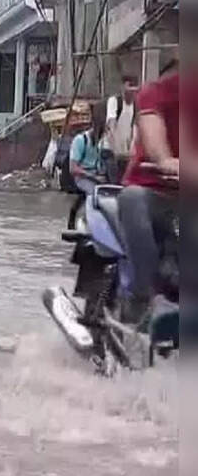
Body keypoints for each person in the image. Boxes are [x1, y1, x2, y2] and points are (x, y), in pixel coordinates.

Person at [117, 61, 183, 324]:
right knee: (133, 199)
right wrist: (166, 160)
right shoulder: (155, 92)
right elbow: (154, 137)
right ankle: (143, 296)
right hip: (153, 193)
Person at [103, 75, 140, 183]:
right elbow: (111, 125)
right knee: (114, 183)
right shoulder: (114, 101)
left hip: (125, 154)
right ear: (122, 87)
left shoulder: (135, 105)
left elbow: (135, 129)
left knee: (126, 182)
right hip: (111, 150)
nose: (132, 91)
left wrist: (131, 150)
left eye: (134, 87)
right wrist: (116, 150)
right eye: (129, 86)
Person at [68, 101, 107, 197]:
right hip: (83, 177)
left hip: (99, 175)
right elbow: (73, 168)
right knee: (94, 193)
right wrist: (92, 176)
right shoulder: (81, 140)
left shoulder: (105, 140)